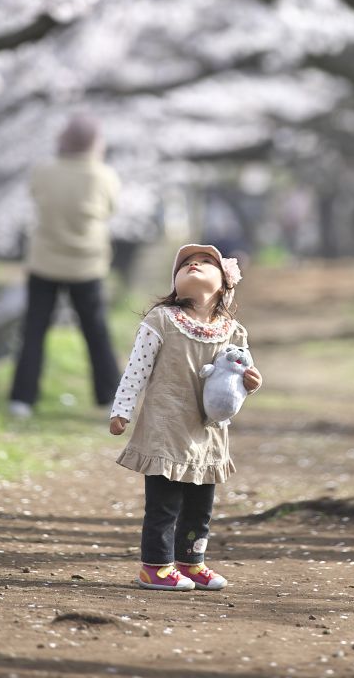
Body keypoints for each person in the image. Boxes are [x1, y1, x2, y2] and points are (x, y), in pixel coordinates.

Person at [109, 243, 262, 592]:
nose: (194, 265)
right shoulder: (161, 321)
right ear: (175, 281)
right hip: (166, 426)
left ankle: (192, 562)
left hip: (207, 432)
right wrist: (122, 410)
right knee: (164, 504)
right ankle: (155, 566)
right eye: (186, 264)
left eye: (205, 263)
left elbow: (240, 378)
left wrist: (253, 383)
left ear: (224, 284)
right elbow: (137, 370)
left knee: (200, 507)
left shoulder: (233, 331)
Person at [9, 113, 122, 418]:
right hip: (87, 265)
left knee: (34, 329)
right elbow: (111, 209)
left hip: (44, 261)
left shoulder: (43, 171)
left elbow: (34, 197)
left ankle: (22, 399)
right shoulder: (104, 176)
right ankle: (110, 396)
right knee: (96, 331)